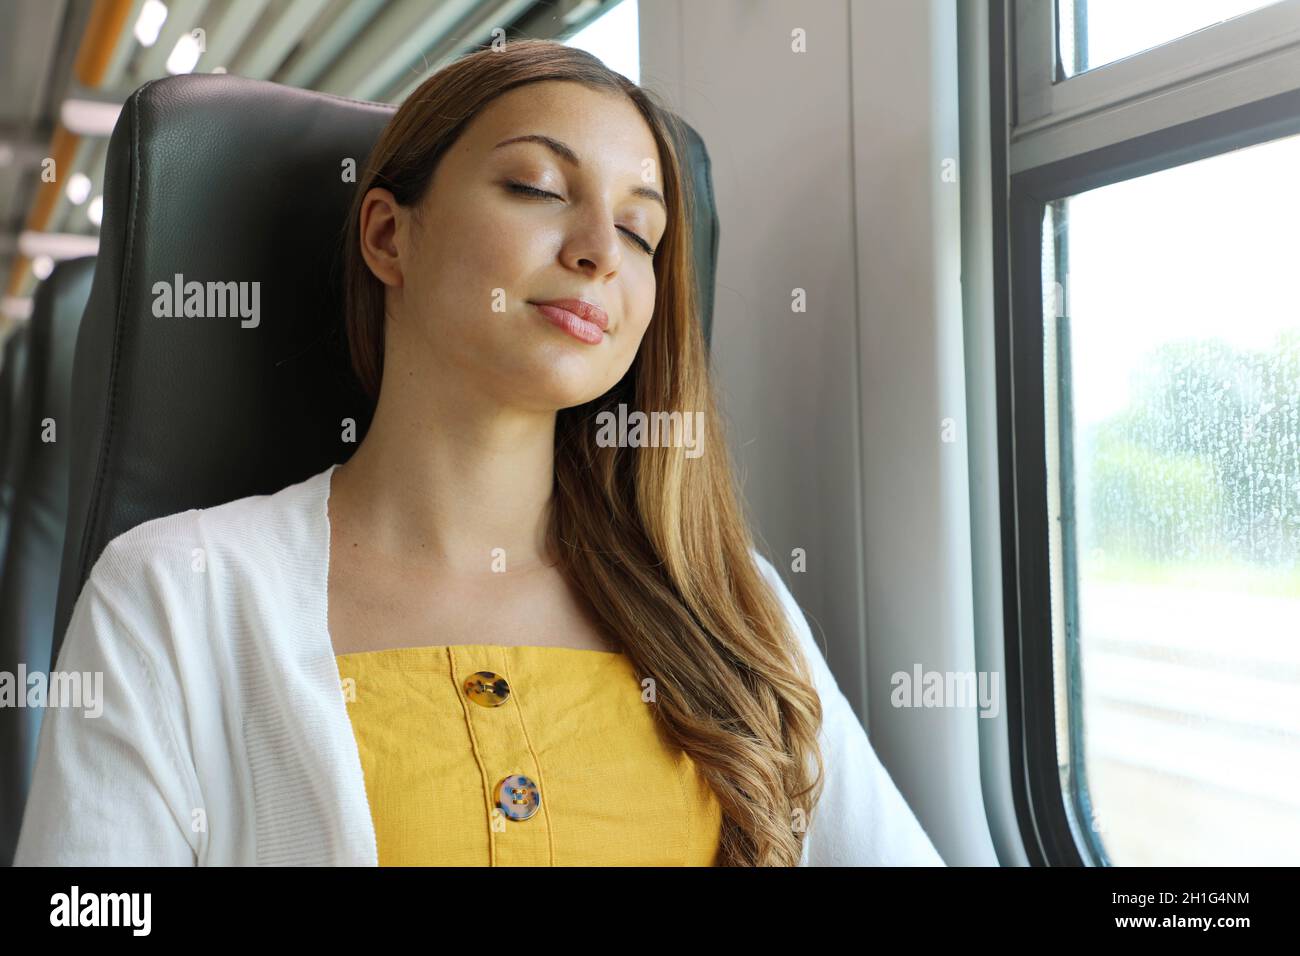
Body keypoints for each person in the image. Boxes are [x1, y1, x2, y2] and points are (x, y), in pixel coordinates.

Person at [14, 39, 944, 867]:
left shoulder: (726, 601)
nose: (599, 252)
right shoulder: (175, 595)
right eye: (539, 188)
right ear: (389, 235)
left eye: (639, 229)